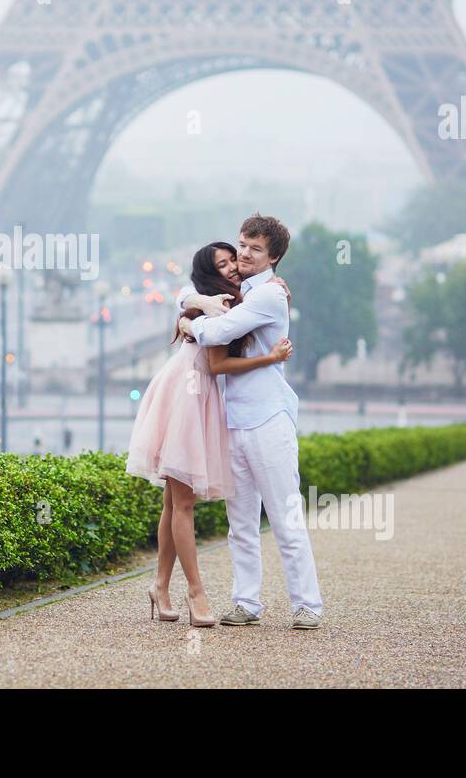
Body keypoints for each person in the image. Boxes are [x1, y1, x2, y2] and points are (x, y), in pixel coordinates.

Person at [127, 241, 294, 627]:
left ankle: (160, 585)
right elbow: (194, 319)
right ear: (210, 272)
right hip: (188, 394)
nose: (234, 266)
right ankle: (196, 593)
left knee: (173, 501)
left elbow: (187, 309)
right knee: (182, 502)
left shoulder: (242, 299)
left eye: (234, 259)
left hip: (198, 396)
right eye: (223, 264)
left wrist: (193, 315)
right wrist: (196, 311)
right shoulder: (215, 300)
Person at [177, 214, 323, 630]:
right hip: (233, 418)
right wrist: (195, 307)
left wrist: (191, 320)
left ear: (274, 257)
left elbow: (217, 332)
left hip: (267, 418)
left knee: (284, 516)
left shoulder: (270, 296)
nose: (243, 253)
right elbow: (185, 293)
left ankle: (307, 605)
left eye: (255, 248)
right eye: (242, 244)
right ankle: (246, 602)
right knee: (239, 523)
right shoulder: (236, 289)